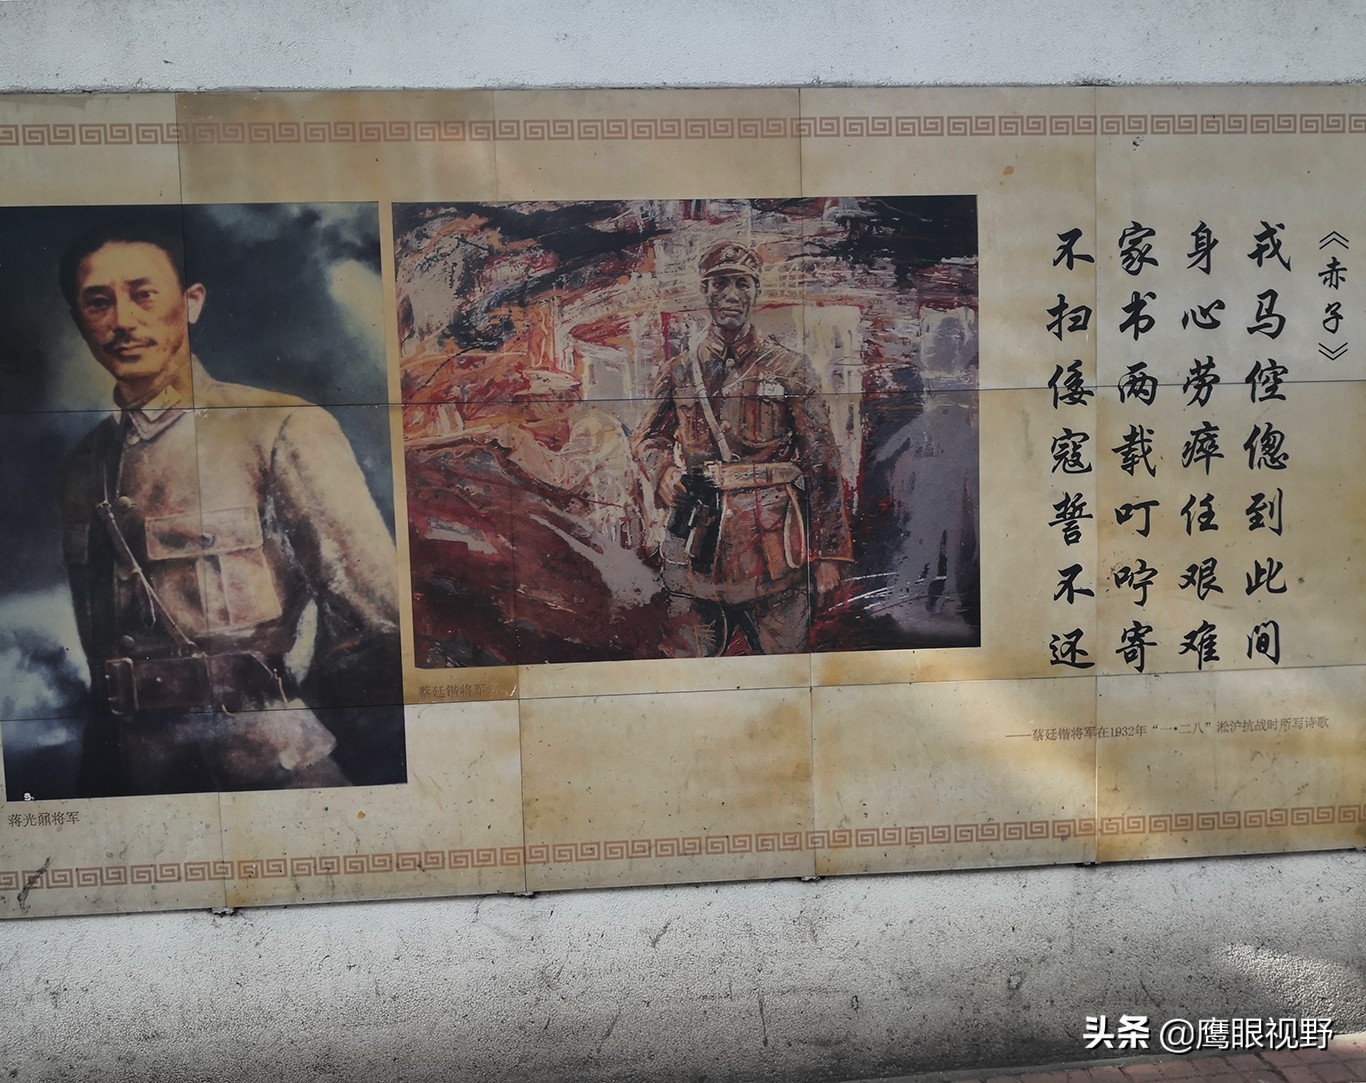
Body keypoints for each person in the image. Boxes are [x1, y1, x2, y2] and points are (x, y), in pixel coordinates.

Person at [56, 219, 403, 796]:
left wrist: (304, 732)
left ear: (191, 304)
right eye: (98, 303)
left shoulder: (278, 427)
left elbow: (380, 624)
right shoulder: (81, 467)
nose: (122, 321)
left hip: (269, 768)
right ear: (79, 321)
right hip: (127, 778)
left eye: (144, 295)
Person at [633, 240, 852, 655]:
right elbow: (648, 437)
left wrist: (827, 554)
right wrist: (665, 474)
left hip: (775, 554)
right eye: (719, 284)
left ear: (755, 291)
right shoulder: (679, 371)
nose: (730, 294)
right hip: (697, 545)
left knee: (783, 670)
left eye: (740, 283)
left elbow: (821, 459)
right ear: (706, 292)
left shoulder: (790, 368)